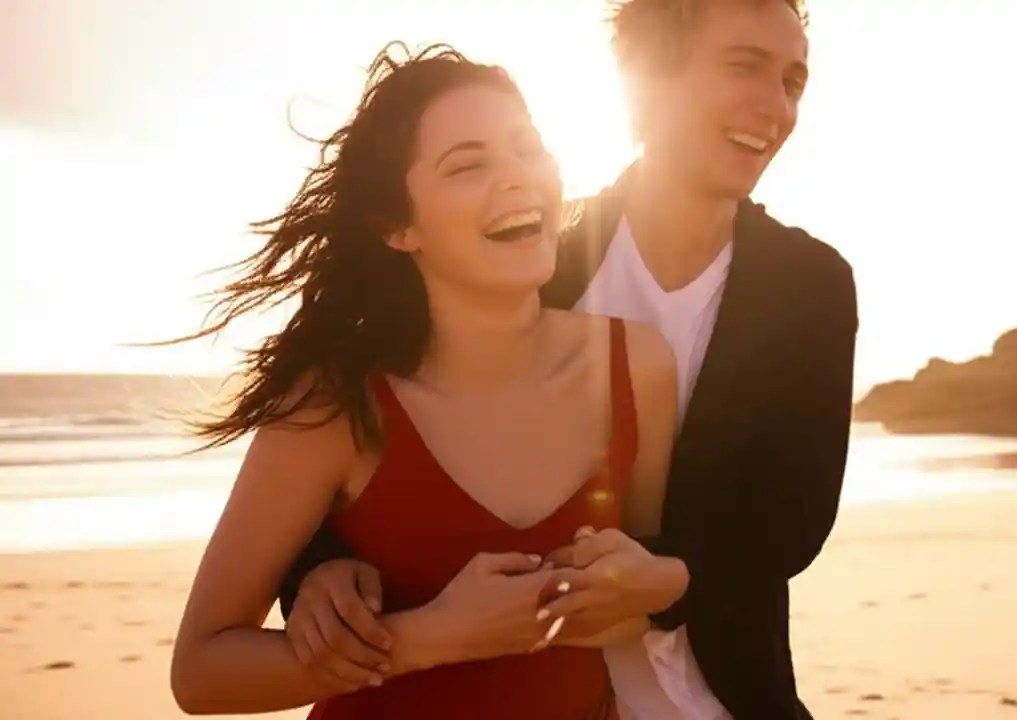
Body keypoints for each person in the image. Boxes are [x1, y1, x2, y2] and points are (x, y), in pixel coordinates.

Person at [282, 0, 859, 718]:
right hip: (537, 693)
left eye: (793, 81)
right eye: (746, 66)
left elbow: (793, 519)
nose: (775, 106)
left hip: (723, 695)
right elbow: (392, 418)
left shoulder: (811, 286)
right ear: (647, 76)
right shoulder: (529, 249)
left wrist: (670, 581)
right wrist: (317, 567)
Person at [167, 43, 689, 719]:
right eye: (468, 165)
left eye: (527, 148)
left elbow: (647, 591)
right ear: (398, 228)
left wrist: (646, 593)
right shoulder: (335, 403)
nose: (517, 178)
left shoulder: (636, 366)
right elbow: (201, 672)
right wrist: (426, 637)